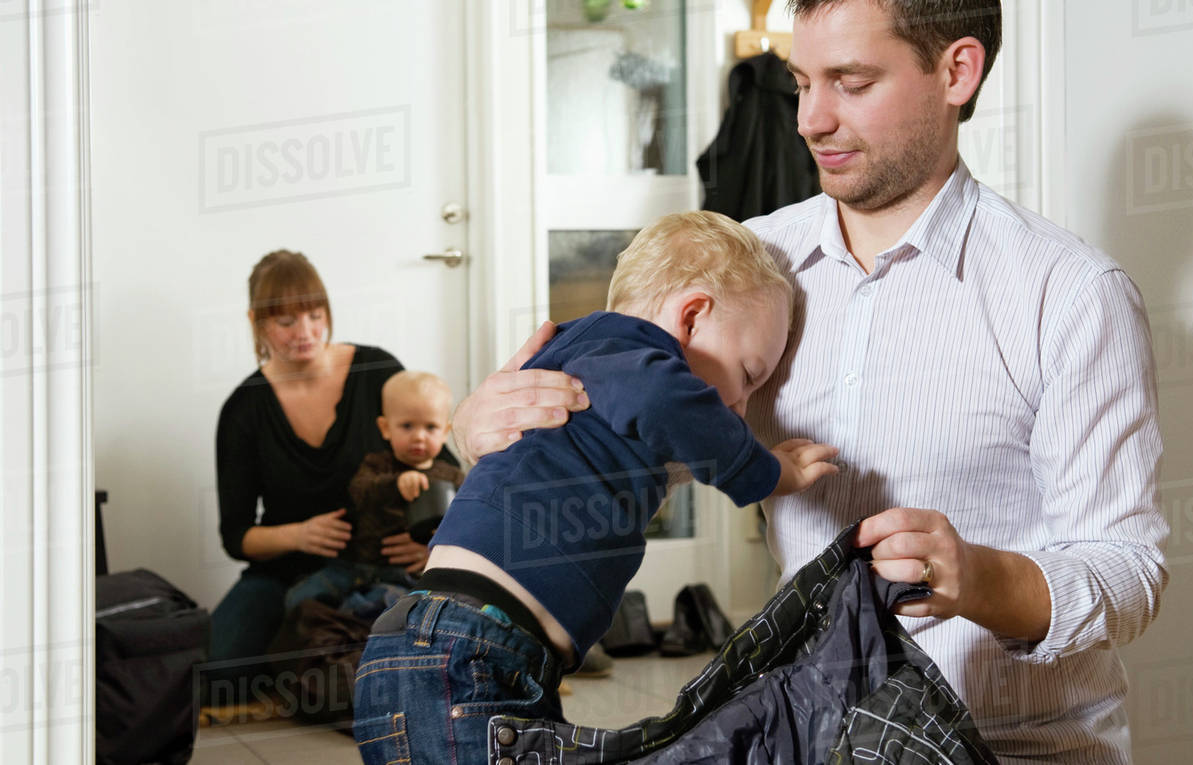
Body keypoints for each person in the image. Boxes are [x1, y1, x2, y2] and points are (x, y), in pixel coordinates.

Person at [450, 0, 1168, 765]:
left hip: (1012, 745)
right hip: (811, 734)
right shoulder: (752, 270)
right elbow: (635, 442)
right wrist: (489, 433)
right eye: (802, 81)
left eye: (853, 84)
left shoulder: (1070, 295)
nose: (809, 119)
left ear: (958, 71)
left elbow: (1127, 569)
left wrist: (980, 576)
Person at [352, 211, 839, 765]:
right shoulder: (632, 355)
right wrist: (771, 472)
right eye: (750, 374)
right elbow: (666, 403)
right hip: (473, 652)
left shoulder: (584, 349)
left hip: (452, 645)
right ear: (692, 315)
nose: (742, 406)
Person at [206, 250, 450, 707]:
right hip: (288, 572)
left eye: (315, 316)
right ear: (256, 323)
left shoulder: (376, 372)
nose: (305, 333)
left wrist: (429, 547)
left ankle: (324, 666)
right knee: (218, 668)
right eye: (285, 322)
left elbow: (446, 472)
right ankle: (309, 661)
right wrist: (298, 535)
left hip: (386, 563)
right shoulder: (243, 409)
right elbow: (237, 536)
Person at [282, 370, 464, 613]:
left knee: (384, 607)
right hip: (355, 565)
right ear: (385, 428)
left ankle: (353, 612)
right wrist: (396, 484)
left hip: (404, 574)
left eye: (430, 427)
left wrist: (433, 550)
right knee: (298, 598)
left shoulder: (452, 476)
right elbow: (360, 490)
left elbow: (464, 524)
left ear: (445, 432)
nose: (419, 436)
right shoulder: (376, 465)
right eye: (407, 426)